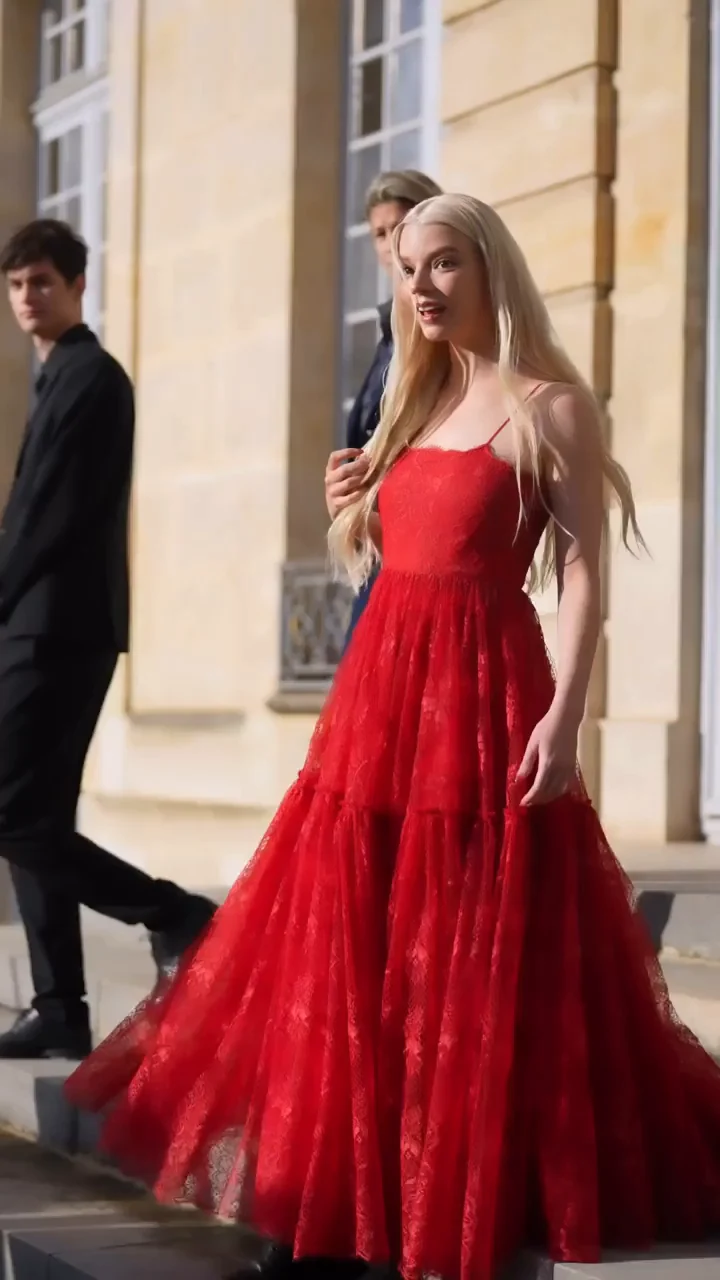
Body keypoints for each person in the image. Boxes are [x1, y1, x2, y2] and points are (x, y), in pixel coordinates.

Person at [66, 195, 720, 1280]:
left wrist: (566, 714)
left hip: (485, 699)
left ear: (489, 268)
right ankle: (338, 1201)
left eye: (446, 263)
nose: (422, 286)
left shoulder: (551, 407)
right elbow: (391, 561)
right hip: (382, 704)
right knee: (362, 944)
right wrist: (355, 508)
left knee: (462, 951)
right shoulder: (411, 409)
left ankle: (442, 1192)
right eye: (409, 267)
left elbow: (585, 574)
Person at [0, 219, 214, 1061]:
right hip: (41, 624)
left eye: (42, 282)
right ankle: (59, 1006)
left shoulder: (91, 378)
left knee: (13, 811)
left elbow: (42, 520)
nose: (27, 297)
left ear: (79, 285)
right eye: (17, 285)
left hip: (59, 629)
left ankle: (172, 911)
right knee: (31, 814)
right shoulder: (59, 376)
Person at [342, 170, 441, 651]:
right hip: (379, 548)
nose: (388, 244)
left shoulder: (438, 329)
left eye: (399, 226)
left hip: (418, 552)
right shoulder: (389, 333)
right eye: (379, 233)